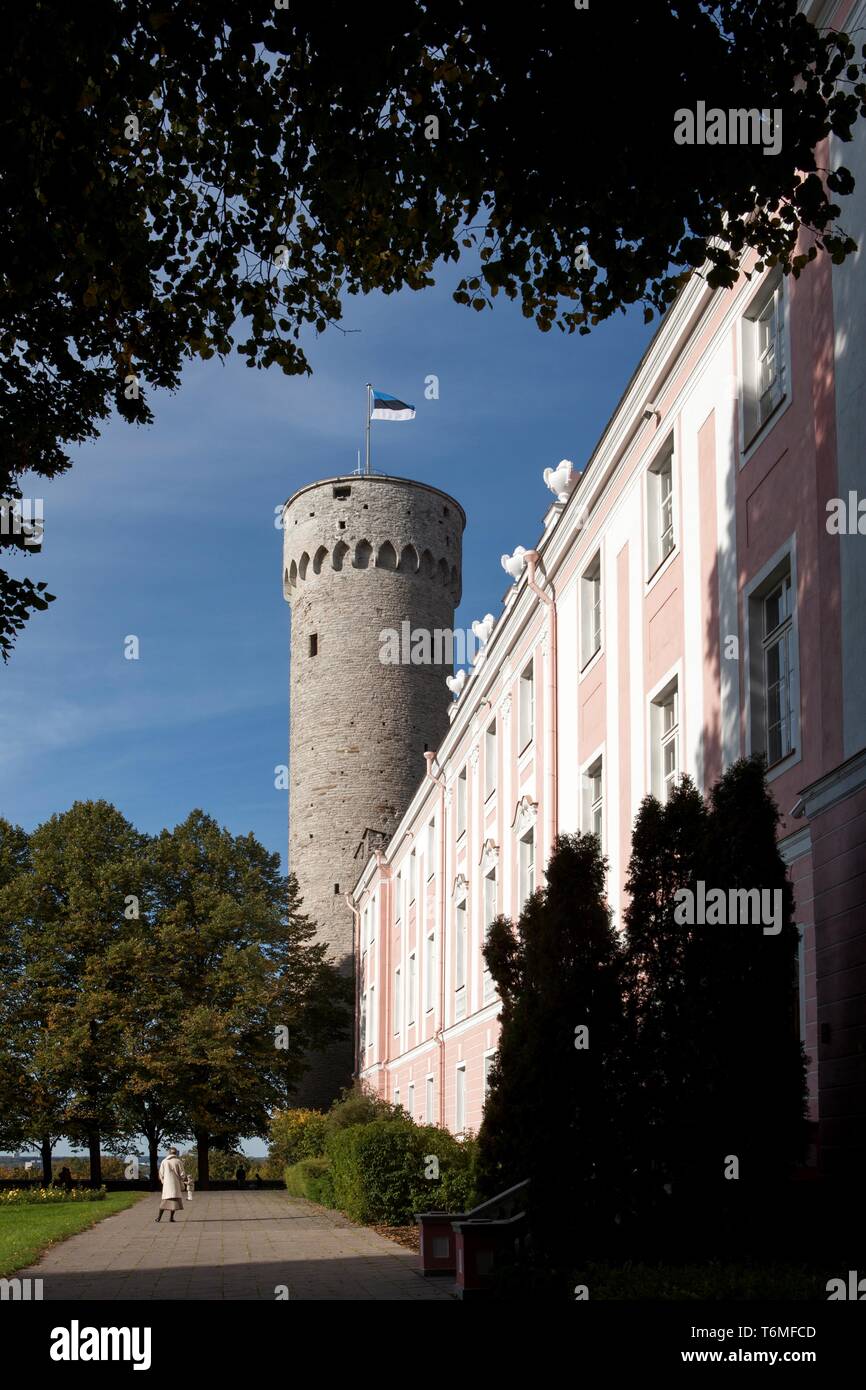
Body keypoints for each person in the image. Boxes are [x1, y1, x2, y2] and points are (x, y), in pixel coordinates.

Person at [156, 1147, 188, 1223]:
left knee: (164, 1202)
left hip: (167, 1185)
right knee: (174, 1203)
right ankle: (171, 1218)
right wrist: (182, 1180)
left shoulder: (164, 1161)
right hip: (175, 1185)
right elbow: (182, 1174)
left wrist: (164, 1182)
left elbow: (161, 1174)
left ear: (169, 1153)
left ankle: (159, 1218)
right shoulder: (178, 1161)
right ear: (176, 1153)